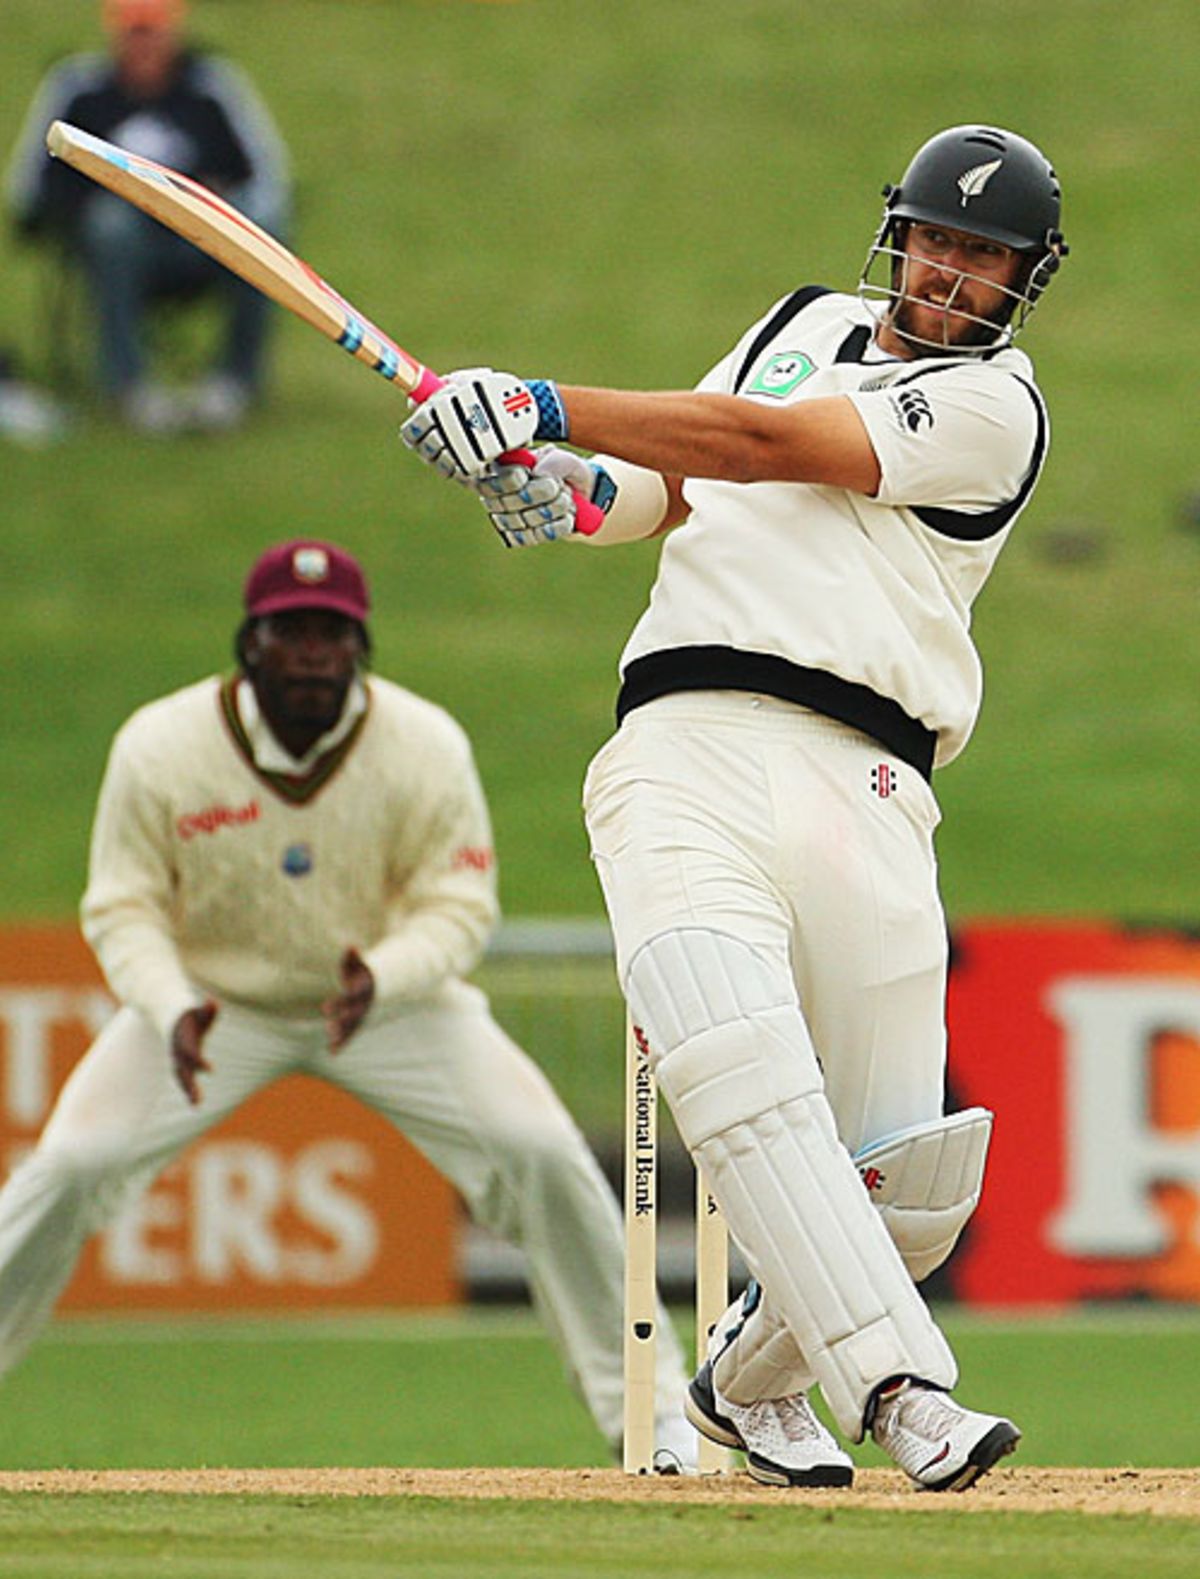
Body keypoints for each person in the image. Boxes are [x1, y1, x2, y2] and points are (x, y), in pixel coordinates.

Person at [398, 125, 1068, 1491]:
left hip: (873, 779)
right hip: (684, 742)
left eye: (983, 257)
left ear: (1022, 281)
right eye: (936, 240)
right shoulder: (800, 321)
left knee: (913, 1186)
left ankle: (746, 1384)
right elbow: (670, 486)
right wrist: (561, 488)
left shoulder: (997, 406)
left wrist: (536, 399)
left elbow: (761, 446)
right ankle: (905, 1393)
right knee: (734, 1050)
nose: (949, 273)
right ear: (899, 234)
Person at [0, 537, 696, 1474]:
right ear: (249, 645)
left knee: (541, 1153)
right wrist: (169, 1005)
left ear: (360, 648)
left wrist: (387, 973)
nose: (313, 656)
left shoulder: (423, 744)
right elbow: (123, 906)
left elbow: (459, 903)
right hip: (213, 1008)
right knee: (70, 1164)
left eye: (332, 635)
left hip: (389, 1003)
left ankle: (656, 1422)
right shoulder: (160, 746)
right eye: (291, 633)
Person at [4, 0, 290, 433]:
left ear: (173, 32)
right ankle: (129, 389)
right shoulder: (80, 90)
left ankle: (233, 384)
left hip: (203, 247)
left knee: (263, 221)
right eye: (133, 33)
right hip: (112, 252)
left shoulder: (210, 87)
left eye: (152, 32)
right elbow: (31, 189)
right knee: (112, 222)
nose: (143, 45)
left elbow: (267, 179)